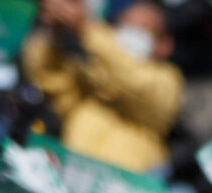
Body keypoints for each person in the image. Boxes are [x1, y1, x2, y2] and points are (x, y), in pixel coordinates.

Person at [22, 0, 185, 172]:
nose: (130, 32)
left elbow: (133, 78)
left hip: (124, 191)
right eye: (125, 24)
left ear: (164, 45)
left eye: (144, 28)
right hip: (69, 177)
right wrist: (54, 33)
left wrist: (86, 27)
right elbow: (48, 79)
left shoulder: (167, 80)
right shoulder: (95, 78)